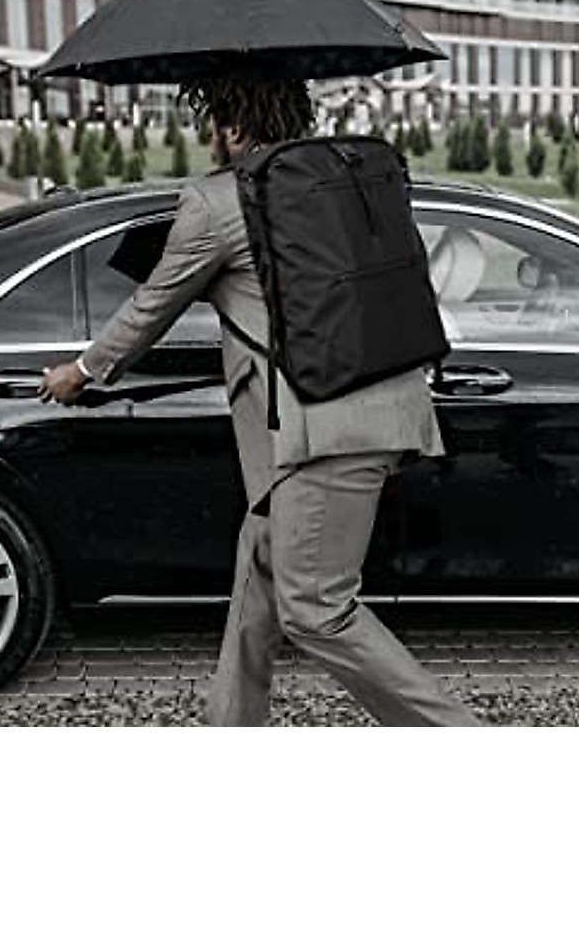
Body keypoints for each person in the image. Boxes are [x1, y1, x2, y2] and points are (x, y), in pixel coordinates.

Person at [38, 75, 480, 727]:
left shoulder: (218, 201)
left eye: (213, 123)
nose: (209, 136)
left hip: (317, 431)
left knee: (317, 610)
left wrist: (81, 371)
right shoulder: (344, 184)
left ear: (236, 128)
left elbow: (151, 305)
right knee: (260, 574)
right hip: (377, 407)